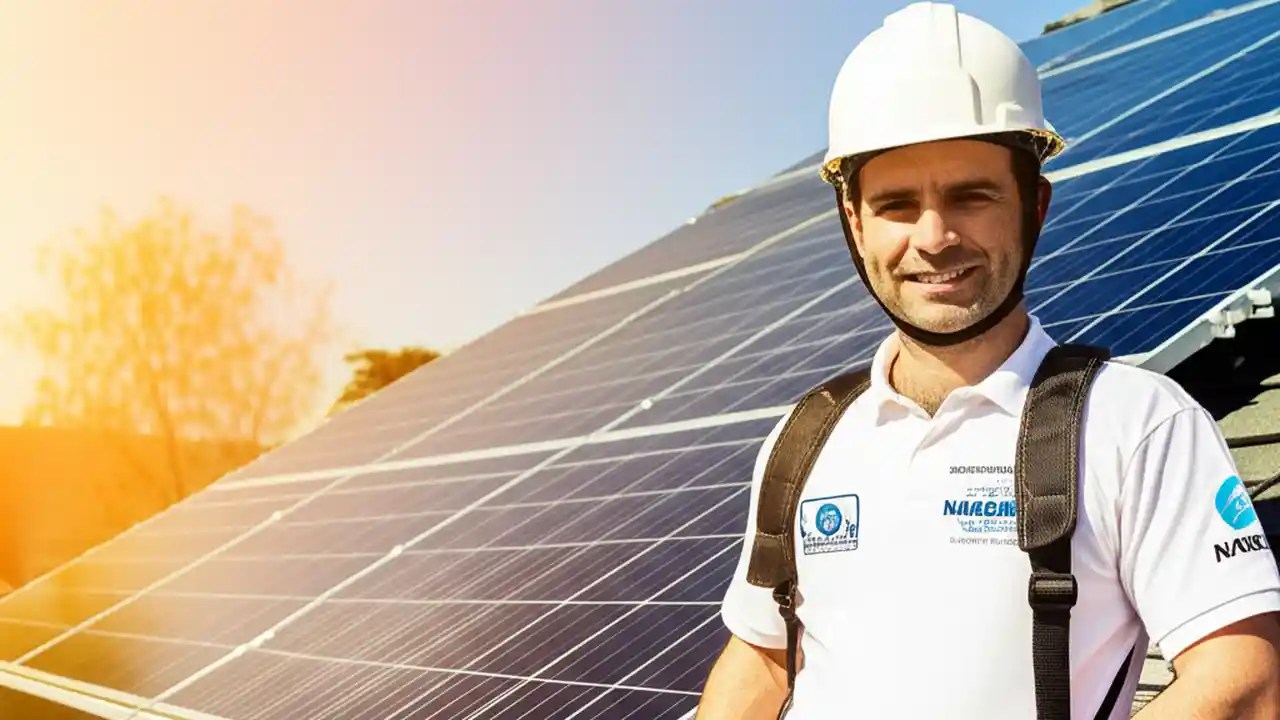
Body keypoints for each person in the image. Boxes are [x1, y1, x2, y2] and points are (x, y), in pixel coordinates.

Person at [695, 2, 1280, 718]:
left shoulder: (1135, 423)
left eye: (971, 196)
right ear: (854, 220)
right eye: (897, 204)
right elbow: (762, 658)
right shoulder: (805, 440)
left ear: (1034, 206)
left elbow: (1243, 678)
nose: (934, 237)